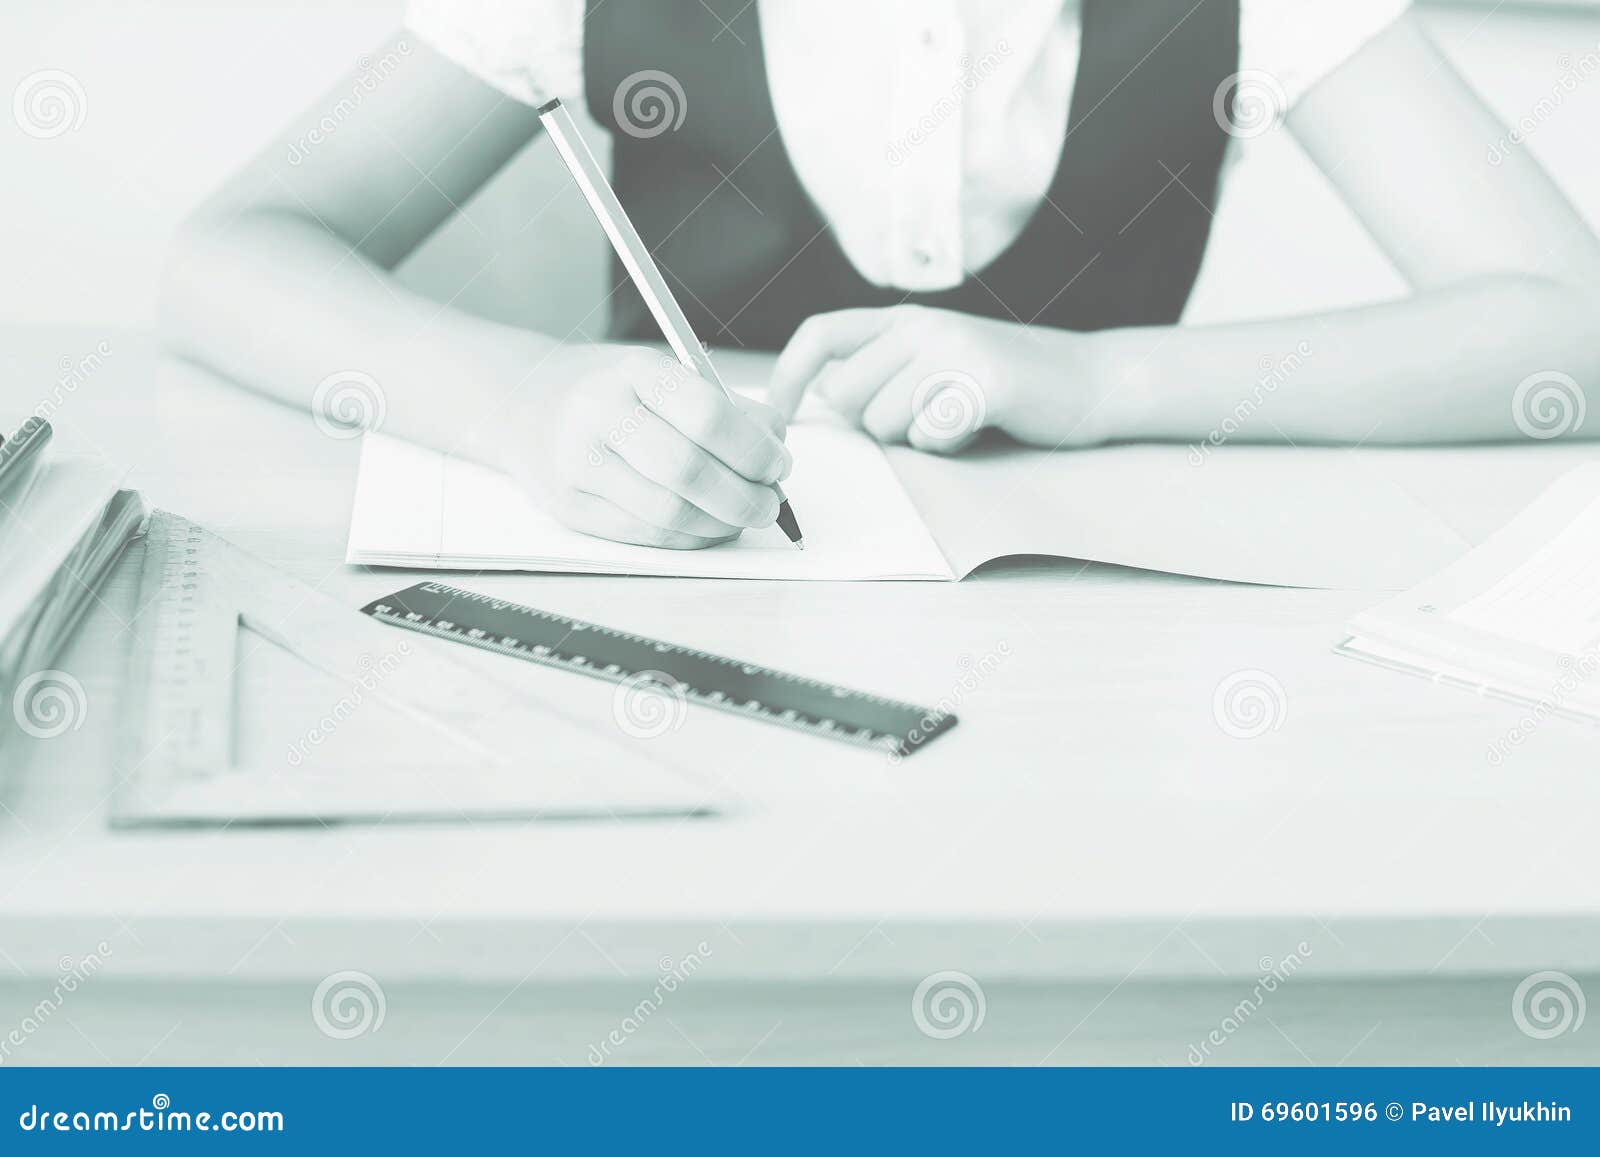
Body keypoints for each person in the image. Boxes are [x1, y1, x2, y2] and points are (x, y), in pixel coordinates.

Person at [161, 0, 1600, 550]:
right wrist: (519, 396)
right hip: (672, 612)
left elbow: (1570, 337)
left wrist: (1099, 378)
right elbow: (228, 257)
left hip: (1085, 683)